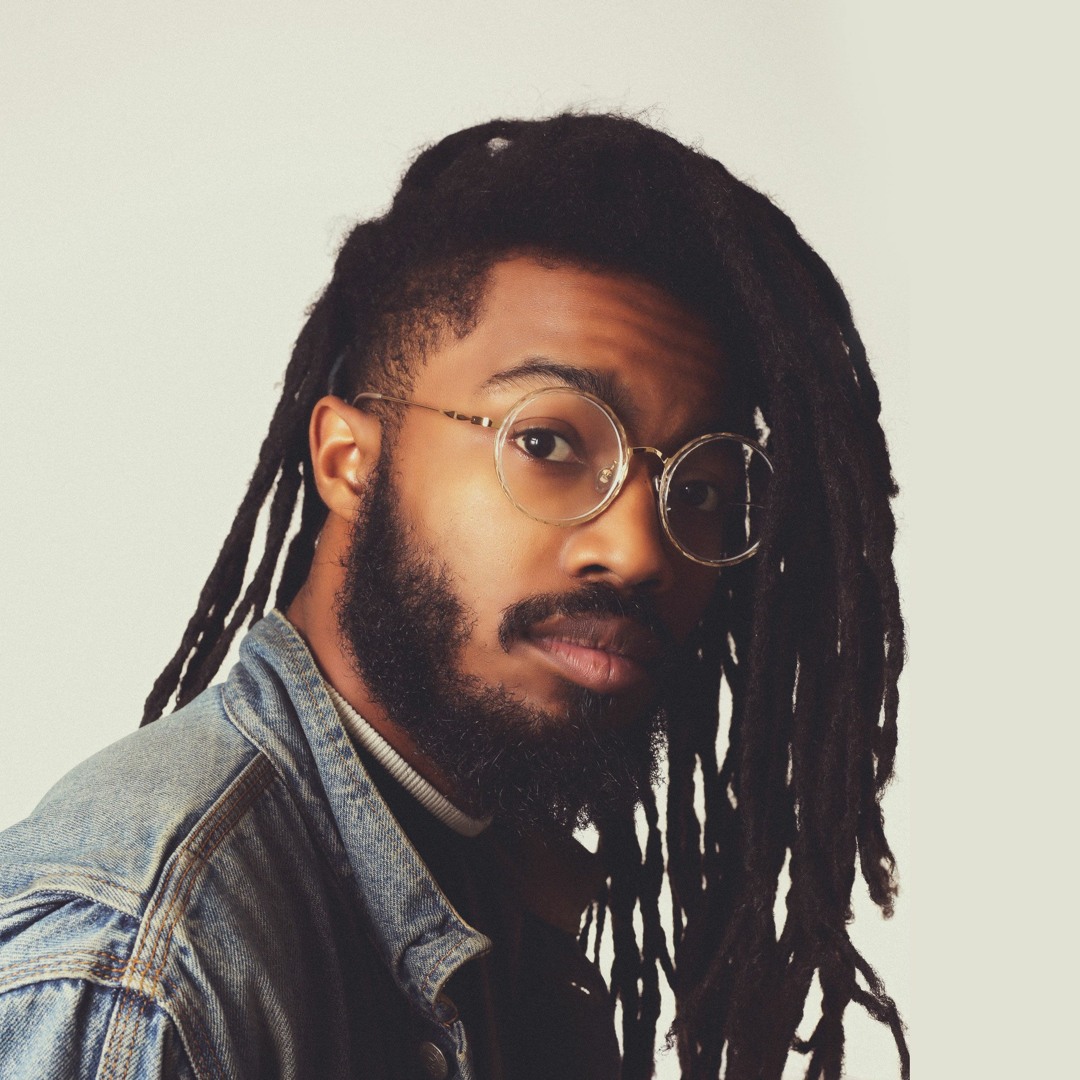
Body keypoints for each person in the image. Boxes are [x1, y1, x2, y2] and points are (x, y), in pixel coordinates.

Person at [0, 113, 906, 1079]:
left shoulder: (489, 872)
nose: (640, 550)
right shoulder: (142, 969)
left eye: (703, 490)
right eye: (547, 442)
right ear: (349, 460)